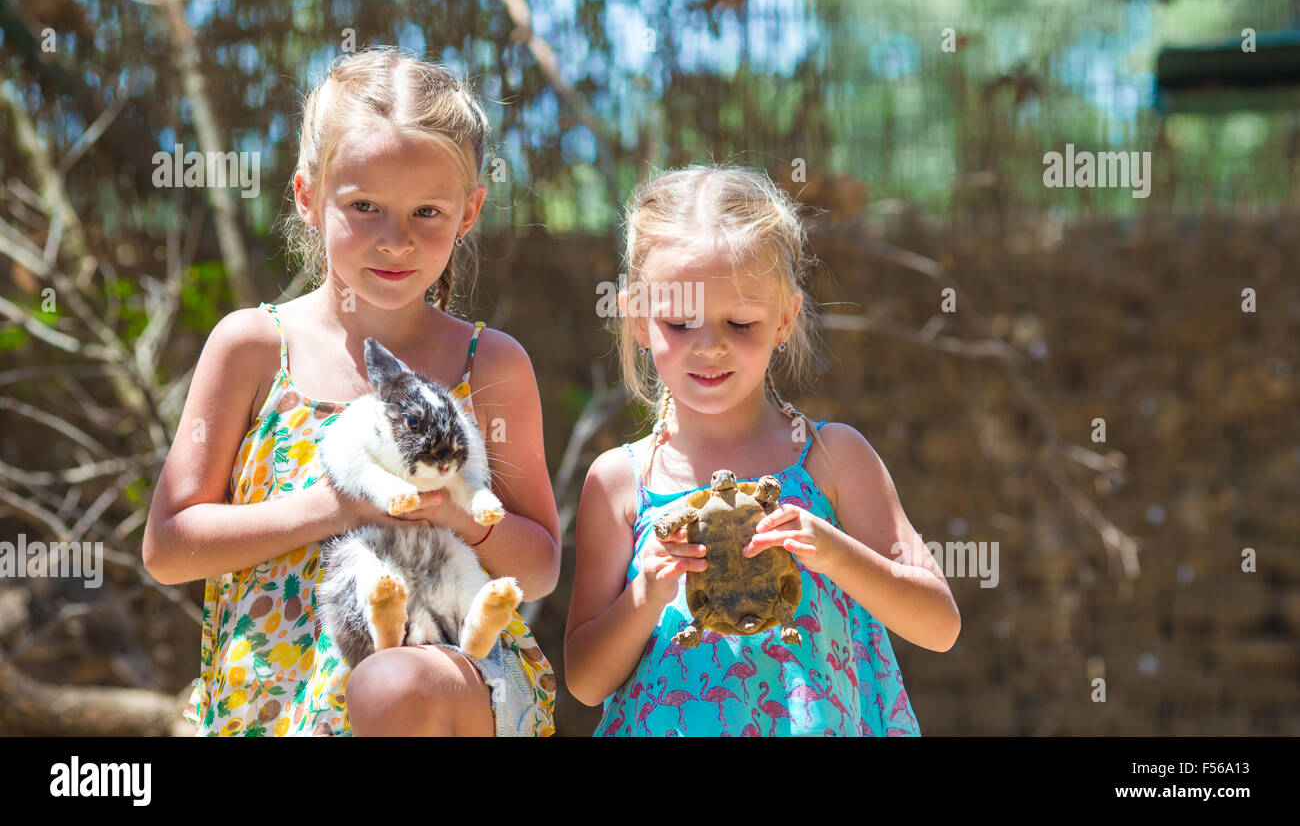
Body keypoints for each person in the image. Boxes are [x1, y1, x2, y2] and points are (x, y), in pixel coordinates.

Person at [144, 48, 559, 736]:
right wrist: (336, 506)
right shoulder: (253, 349)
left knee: (396, 685)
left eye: (428, 211)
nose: (396, 240)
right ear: (308, 197)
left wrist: (452, 513)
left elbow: (539, 566)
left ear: (469, 212)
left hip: (444, 682)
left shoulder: (492, 365)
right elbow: (168, 548)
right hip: (276, 703)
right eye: (364, 206)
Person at [565, 164, 959, 735]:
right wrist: (646, 595)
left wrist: (837, 554)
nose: (710, 346)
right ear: (639, 320)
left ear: (785, 319)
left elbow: (939, 624)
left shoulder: (832, 460)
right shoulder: (620, 482)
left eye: (741, 322)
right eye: (679, 322)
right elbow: (585, 680)